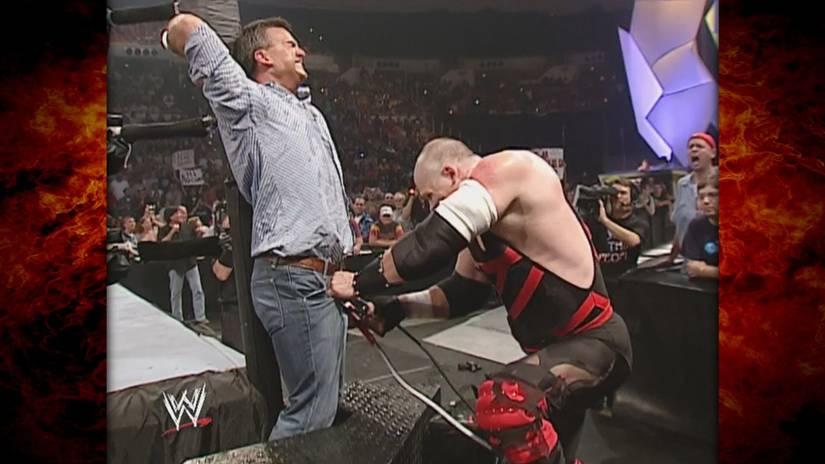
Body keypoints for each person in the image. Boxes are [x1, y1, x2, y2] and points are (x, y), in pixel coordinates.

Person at [330, 138, 631, 464]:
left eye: (431, 197)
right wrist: (397, 309)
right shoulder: (483, 226)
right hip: (556, 353)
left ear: (450, 173)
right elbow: (461, 293)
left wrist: (359, 282)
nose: (431, 208)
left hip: (597, 343)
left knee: (505, 403)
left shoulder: (509, 169)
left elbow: (428, 244)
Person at [164, 14, 353, 440]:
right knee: (309, 414)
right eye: (290, 44)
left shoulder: (311, 115)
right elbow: (188, 28)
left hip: (326, 279)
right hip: (295, 277)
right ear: (263, 57)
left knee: (324, 409)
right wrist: (168, 34)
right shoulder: (248, 101)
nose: (301, 50)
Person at [669, 133, 717, 261]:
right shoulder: (682, 184)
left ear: (713, 153)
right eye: (690, 147)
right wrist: (671, 257)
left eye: (699, 146)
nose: (694, 149)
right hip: (689, 260)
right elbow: (680, 224)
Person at [158, 205, 208, 324]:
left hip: (190, 262)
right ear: (171, 216)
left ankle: (200, 317)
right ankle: (177, 318)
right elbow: (161, 244)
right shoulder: (164, 229)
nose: (180, 215)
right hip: (175, 264)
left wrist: (199, 234)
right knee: (176, 293)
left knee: (198, 290)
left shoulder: (187, 227)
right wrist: (172, 232)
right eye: (177, 213)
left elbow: (193, 241)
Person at [593, 178, 649, 282]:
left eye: (623, 193)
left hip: (627, 281)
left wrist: (605, 221)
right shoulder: (596, 222)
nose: (618, 197)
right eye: (614, 193)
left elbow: (634, 241)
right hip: (602, 281)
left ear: (632, 197)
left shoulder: (639, 223)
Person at [682, 172, 719, 279]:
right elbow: (692, 267)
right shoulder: (696, 225)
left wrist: (706, 271)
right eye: (701, 197)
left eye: (712, 195)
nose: (705, 201)